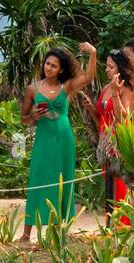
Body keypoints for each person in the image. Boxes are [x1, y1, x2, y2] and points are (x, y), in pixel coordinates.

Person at [19, 43, 97, 242]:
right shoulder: (32, 89)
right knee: (37, 179)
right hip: (44, 139)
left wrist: (93, 53)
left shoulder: (67, 86)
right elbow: (24, 119)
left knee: (63, 180)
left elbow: (88, 77)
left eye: (54, 65)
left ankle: (61, 230)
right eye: (47, 63)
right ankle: (26, 233)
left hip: (64, 140)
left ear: (61, 69)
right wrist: (33, 116)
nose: (49, 68)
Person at [95, 49, 134, 227]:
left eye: (111, 66)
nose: (107, 70)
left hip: (121, 143)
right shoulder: (105, 88)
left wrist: (116, 94)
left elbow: (123, 118)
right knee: (109, 186)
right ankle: (111, 225)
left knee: (122, 187)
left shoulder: (126, 90)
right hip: (105, 144)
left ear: (120, 69)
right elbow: (102, 117)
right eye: (106, 66)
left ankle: (125, 227)